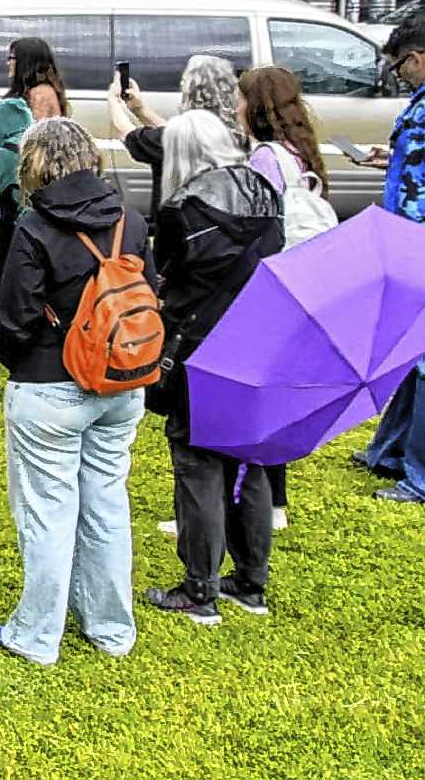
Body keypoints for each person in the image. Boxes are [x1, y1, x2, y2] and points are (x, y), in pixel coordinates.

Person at [0, 117, 151, 665]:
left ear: (33, 164)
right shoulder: (129, 219)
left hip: (49, 383)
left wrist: (23, 366)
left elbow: (15, 317)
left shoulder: (34, 227)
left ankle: (36, 635)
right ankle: (111, 628)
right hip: (123, 379)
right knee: (106, 503)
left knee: (48, 513)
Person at [144, 109, 283, 624]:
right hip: (256, 340)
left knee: (197, 462)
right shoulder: (264, 191)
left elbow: (170, 280)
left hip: (199, 344)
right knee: (251, 459)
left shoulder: (184, 209)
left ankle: (198, 588)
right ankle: (251, 581)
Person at [362, 21, 425, 503]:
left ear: (418, 57)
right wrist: (397, 155)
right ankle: (392, 450)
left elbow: (424, 189)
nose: (398, 75)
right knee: (419, 351)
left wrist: (403, 250)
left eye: (399, 65)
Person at [237, 64, 329, 528]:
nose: (235, 107)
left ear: (255, 107)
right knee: (276, 394)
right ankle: (274, 500)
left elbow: (257, 227)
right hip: (301, 284)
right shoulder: (301, 152)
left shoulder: (265, 159)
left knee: (255, 397)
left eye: (240, 99)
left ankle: (261, 502)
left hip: (271, 286)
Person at [0, 37, 67, 279]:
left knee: (13, 266)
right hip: (18, 193)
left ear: (25, 62)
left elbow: (33, 143)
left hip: (24, 197)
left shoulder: (39, 95)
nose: (8, 64)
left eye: (12, 58)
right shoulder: (32, 95)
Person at [108, 53, 244, 224]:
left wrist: (113, 100)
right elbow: (170, 133)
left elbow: (127, 134)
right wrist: (141, 111)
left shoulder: (180, 136)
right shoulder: (234, 133)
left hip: (178, 233)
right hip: (220, 231)